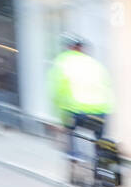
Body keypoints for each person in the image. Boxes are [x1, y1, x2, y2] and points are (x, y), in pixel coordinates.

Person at [48, 34, 114, 166]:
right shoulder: (95, 63)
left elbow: (56, 92)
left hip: (77, 111)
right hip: (102, 110)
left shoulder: (62, 62)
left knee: (70, 130)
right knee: (100, 138)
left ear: (68, 48)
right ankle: (101, 165)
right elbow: (108, 85)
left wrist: (59, 120)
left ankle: (74, 154)